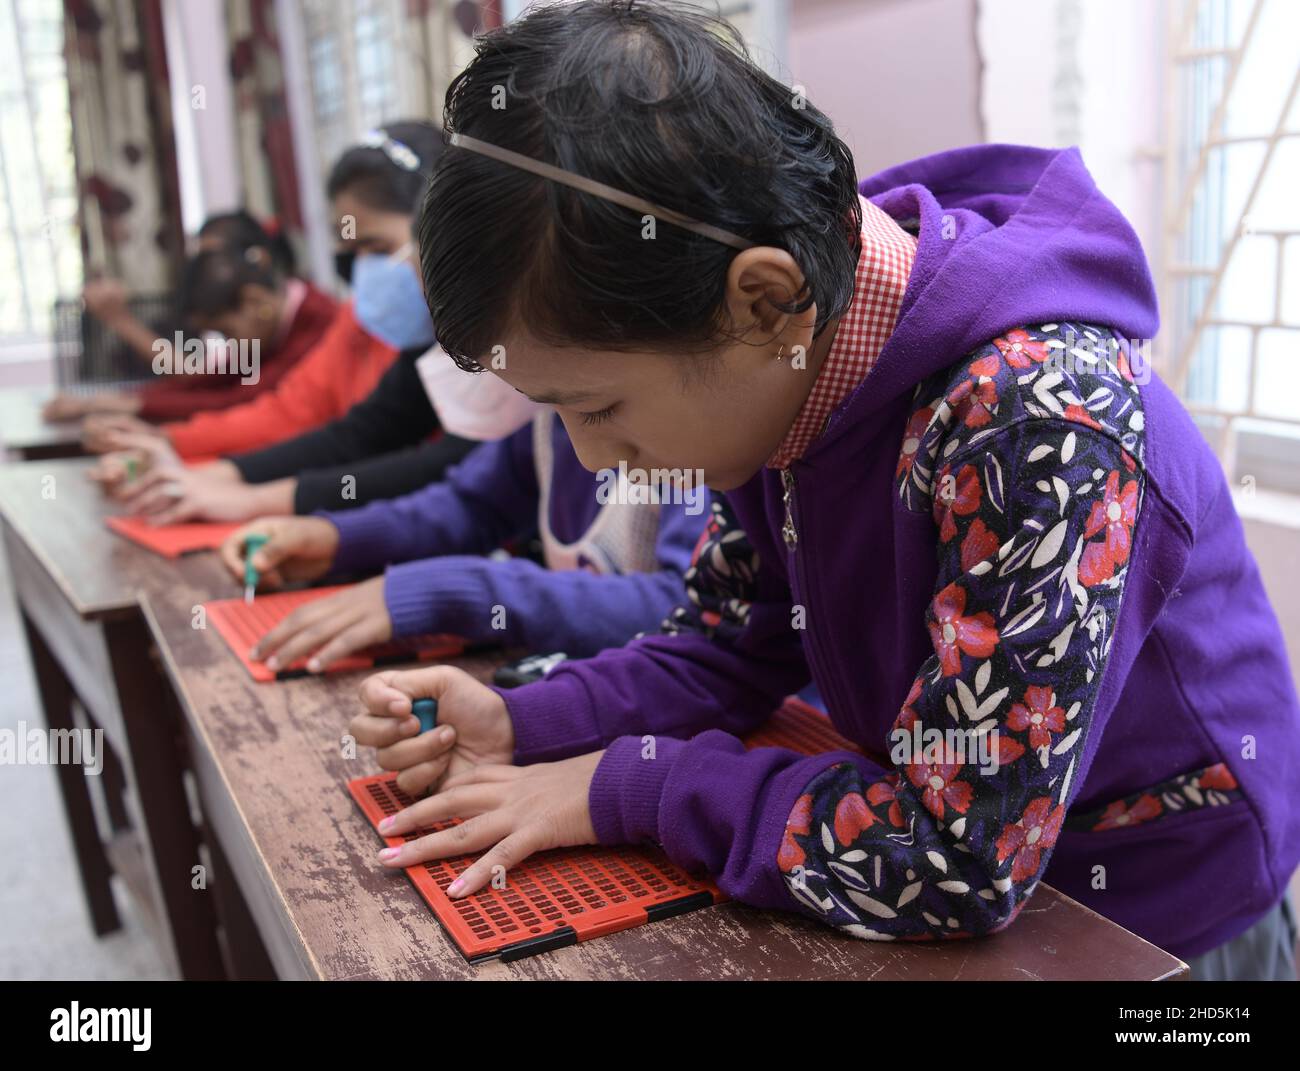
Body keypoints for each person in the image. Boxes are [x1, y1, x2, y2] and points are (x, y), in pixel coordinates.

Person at [346, 0, 1300, 980]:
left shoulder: (1040, 424)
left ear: (761, 299)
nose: (592, 458)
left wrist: (623, 785)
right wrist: (522, 720)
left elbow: (960, 859)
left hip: (1150, 923)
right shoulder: (793, 367)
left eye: (597, 405)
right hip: (968, 864)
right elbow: (726, 645)